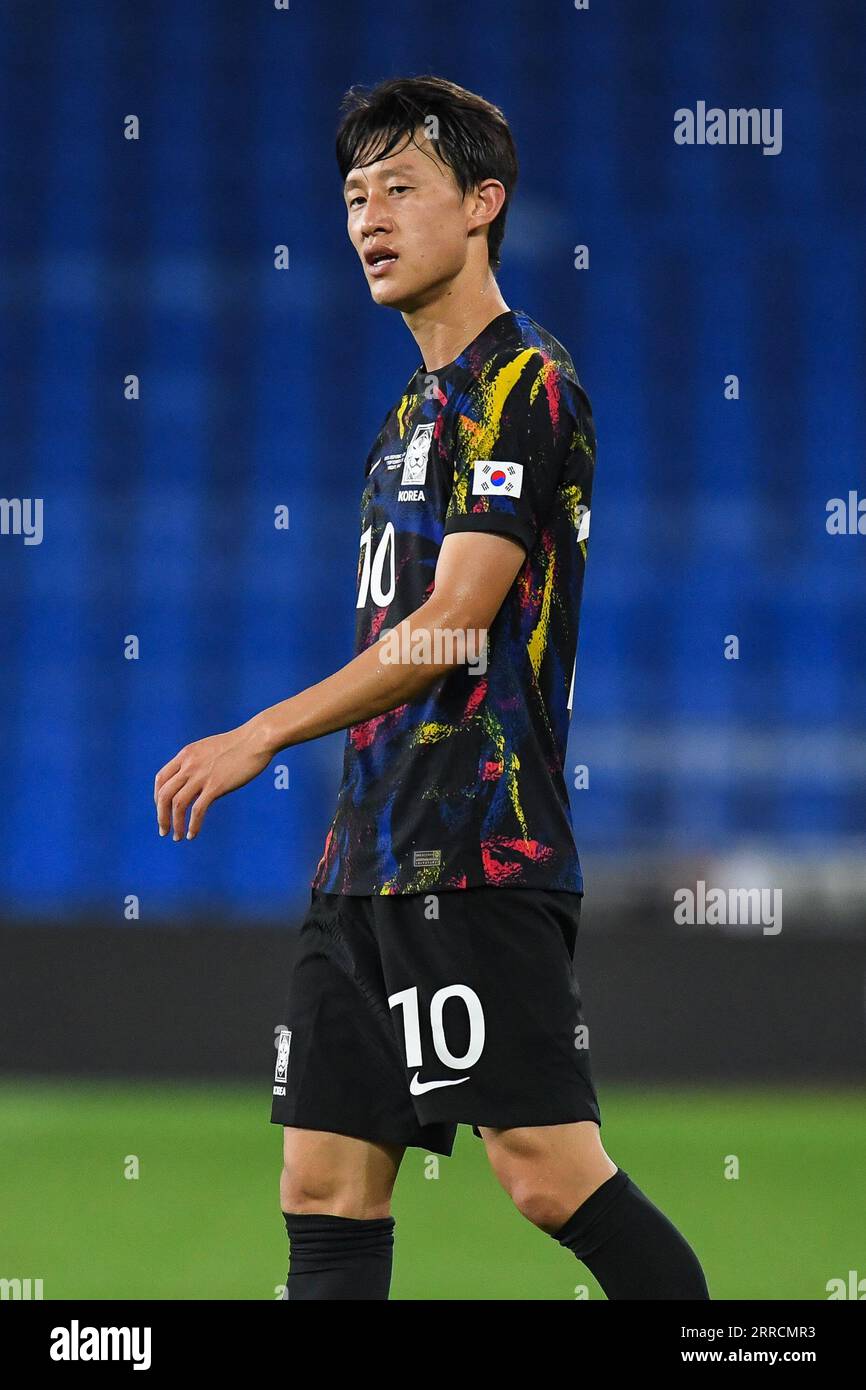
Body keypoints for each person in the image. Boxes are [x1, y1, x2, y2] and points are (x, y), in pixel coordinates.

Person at [153, 74, 710, 1302]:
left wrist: (260, 732)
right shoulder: (408, 410)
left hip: (477, 849)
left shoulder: (526, 386)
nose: (369, 217)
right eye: (354, 195)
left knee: (547, 1175)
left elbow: (454, 626)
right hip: (364, 856)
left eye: (401, 188)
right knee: (322, 1186)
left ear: (482, 204)